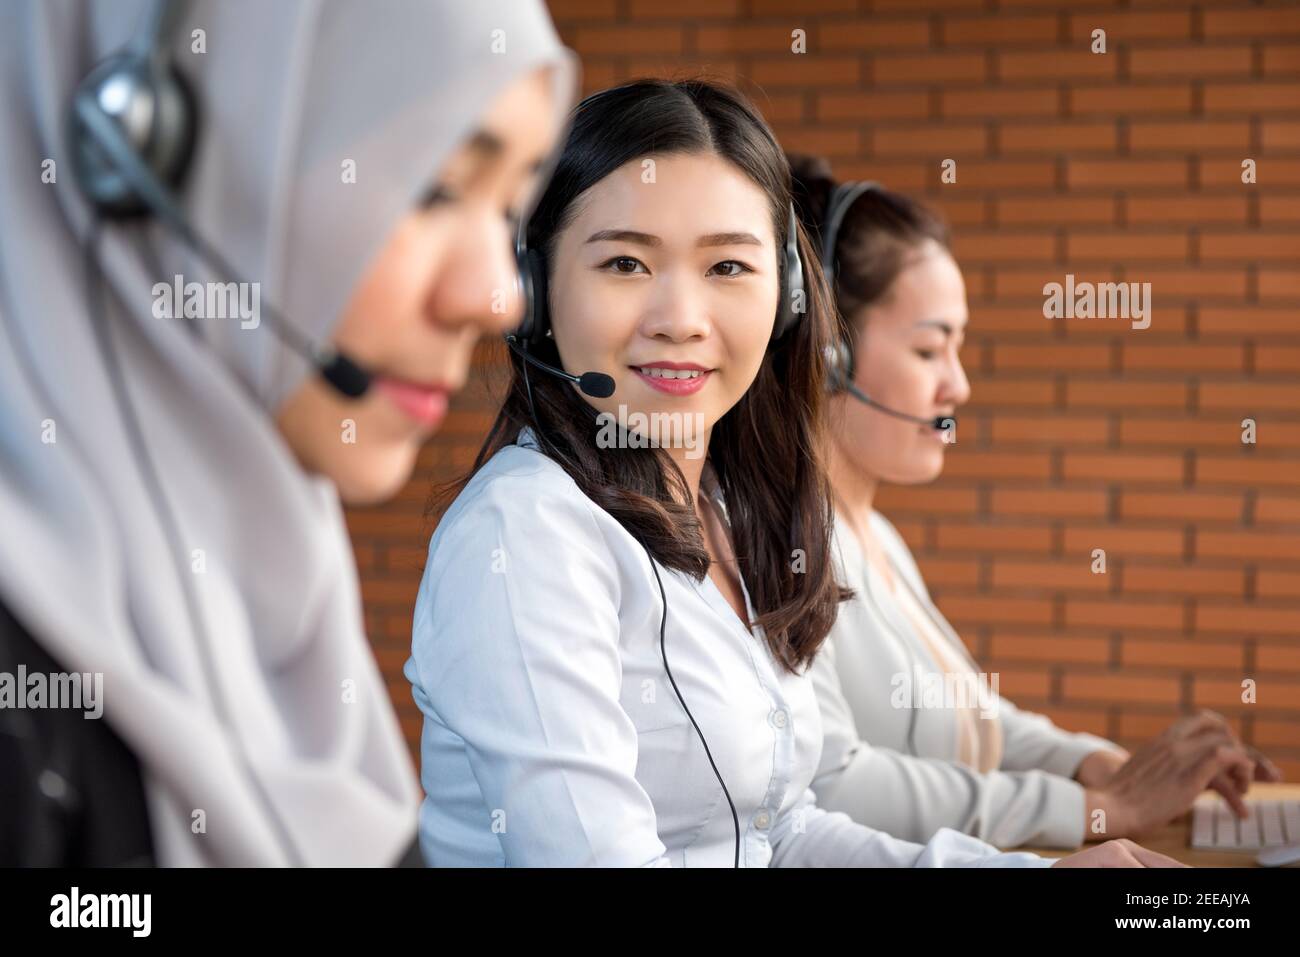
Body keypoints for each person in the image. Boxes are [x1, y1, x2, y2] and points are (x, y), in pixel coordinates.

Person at [405, 78, 1183, 868]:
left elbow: (787, 833)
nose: (680, 316)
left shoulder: (734, 515)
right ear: (535, 291)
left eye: (728, 268)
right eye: (627, 262)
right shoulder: (526, 532)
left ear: (787, 300)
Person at [0, 0, 575, 866]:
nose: (499, 298)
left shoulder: (282, 600)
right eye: (435, 187)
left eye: (510, 207)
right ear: (131, 158)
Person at [788, 153, 1280, 851]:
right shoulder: (789, 543)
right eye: (931, 350)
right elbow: (830, 782)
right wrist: (1093, 807)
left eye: (959, 347)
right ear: (827, 353)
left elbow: (971, 717)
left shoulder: (877, 537)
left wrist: (1103, 767)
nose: (957, 385)